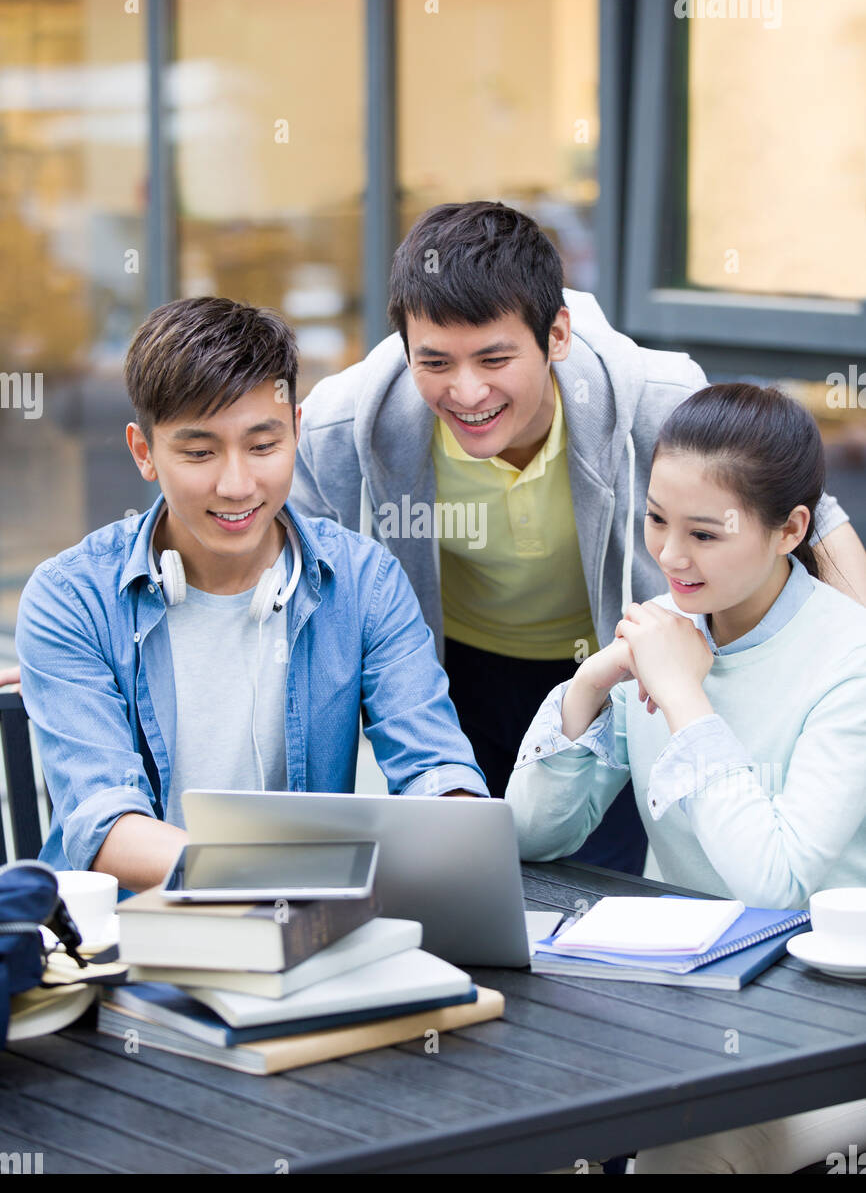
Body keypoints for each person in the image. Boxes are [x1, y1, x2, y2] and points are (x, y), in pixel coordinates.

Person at [290, 201, 866, 876]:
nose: (467, 390)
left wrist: (842, 673)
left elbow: (802, 511)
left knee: (606, 874)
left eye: (495, 357)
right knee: (479, 873)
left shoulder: (658, 397)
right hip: (454, 671)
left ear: (556, 334)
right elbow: (284, 564)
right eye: (436, 362)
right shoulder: (343, 423)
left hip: (618, 655)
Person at [504, 381, 866, 1172]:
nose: (669, 555)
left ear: (790, 529)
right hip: (667, 998)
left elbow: (778, 883)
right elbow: (529, 836)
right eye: (657, 519)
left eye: (704, 532)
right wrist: (591, 686)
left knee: (694, 1141)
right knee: (500, 1079)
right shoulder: (664, 627)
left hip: (824, 1023)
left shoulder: (850, 661)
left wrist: (683, 697)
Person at [14, 297, 487, 895]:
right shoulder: (71, 599)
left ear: (295, 431)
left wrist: (459, 827)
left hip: (304, 928)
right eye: (198, 452)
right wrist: (285, 874)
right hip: (128, 941)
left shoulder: (366, 581)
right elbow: (105, 826)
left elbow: (433, 766)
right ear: (143, 452)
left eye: (262, 446)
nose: (237, 485)